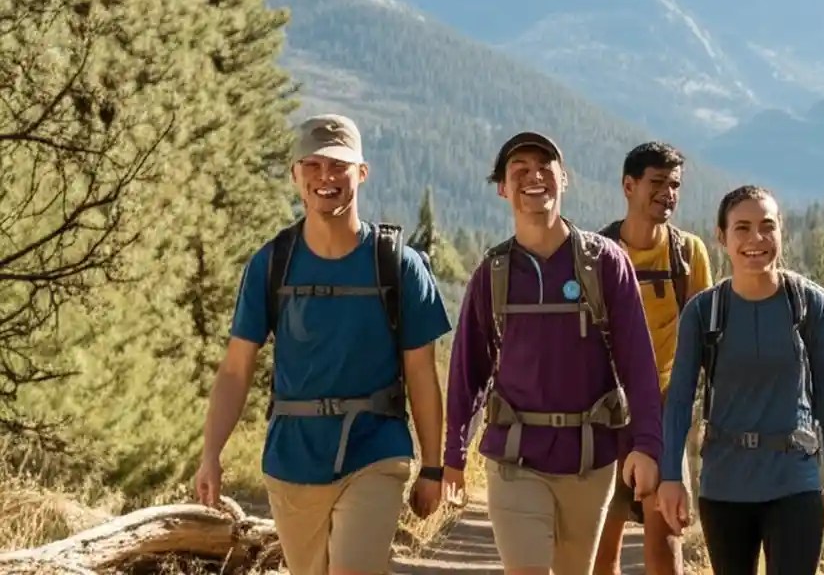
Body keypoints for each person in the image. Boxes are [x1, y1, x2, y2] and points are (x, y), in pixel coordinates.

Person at [195, 113, 452, 575]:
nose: (325, 178)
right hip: (292, 458)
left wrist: (432, 466)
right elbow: (236, 369)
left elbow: (421, 375)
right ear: (294, 174)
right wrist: (211, 453)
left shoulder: (399, 265)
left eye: (339, 166)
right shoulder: (271, 264)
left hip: (376, 448)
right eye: (312, 166)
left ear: (362, 173)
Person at [442, 131, 664, 575]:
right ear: (503, 188)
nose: (534, 177)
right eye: (519, 170)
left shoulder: (604, 263)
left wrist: (647, 444)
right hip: (515, 459)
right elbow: (469, 370)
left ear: (565, 179)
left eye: (545, 167)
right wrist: (454, 455)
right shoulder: (493, 273)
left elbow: (637, 362)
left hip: (592, 458)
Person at [657, 185, 824, 575]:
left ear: (782, 231)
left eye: (767, 226)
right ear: (722, 236)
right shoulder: (704, 312)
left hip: (795, 480)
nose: (755, 239)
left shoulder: (811, 305)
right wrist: (670, 477)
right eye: (742, 228)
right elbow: (679, 400)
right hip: (725, 484)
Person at [594, 142, 714, 575]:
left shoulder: (688, 255)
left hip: (664, 414)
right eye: (657, 182)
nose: (669, 193)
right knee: (599, 547)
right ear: (629, 185)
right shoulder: (597, 254)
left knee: (663, 541)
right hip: (605, 413)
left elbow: (706, 339)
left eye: (675, 184)